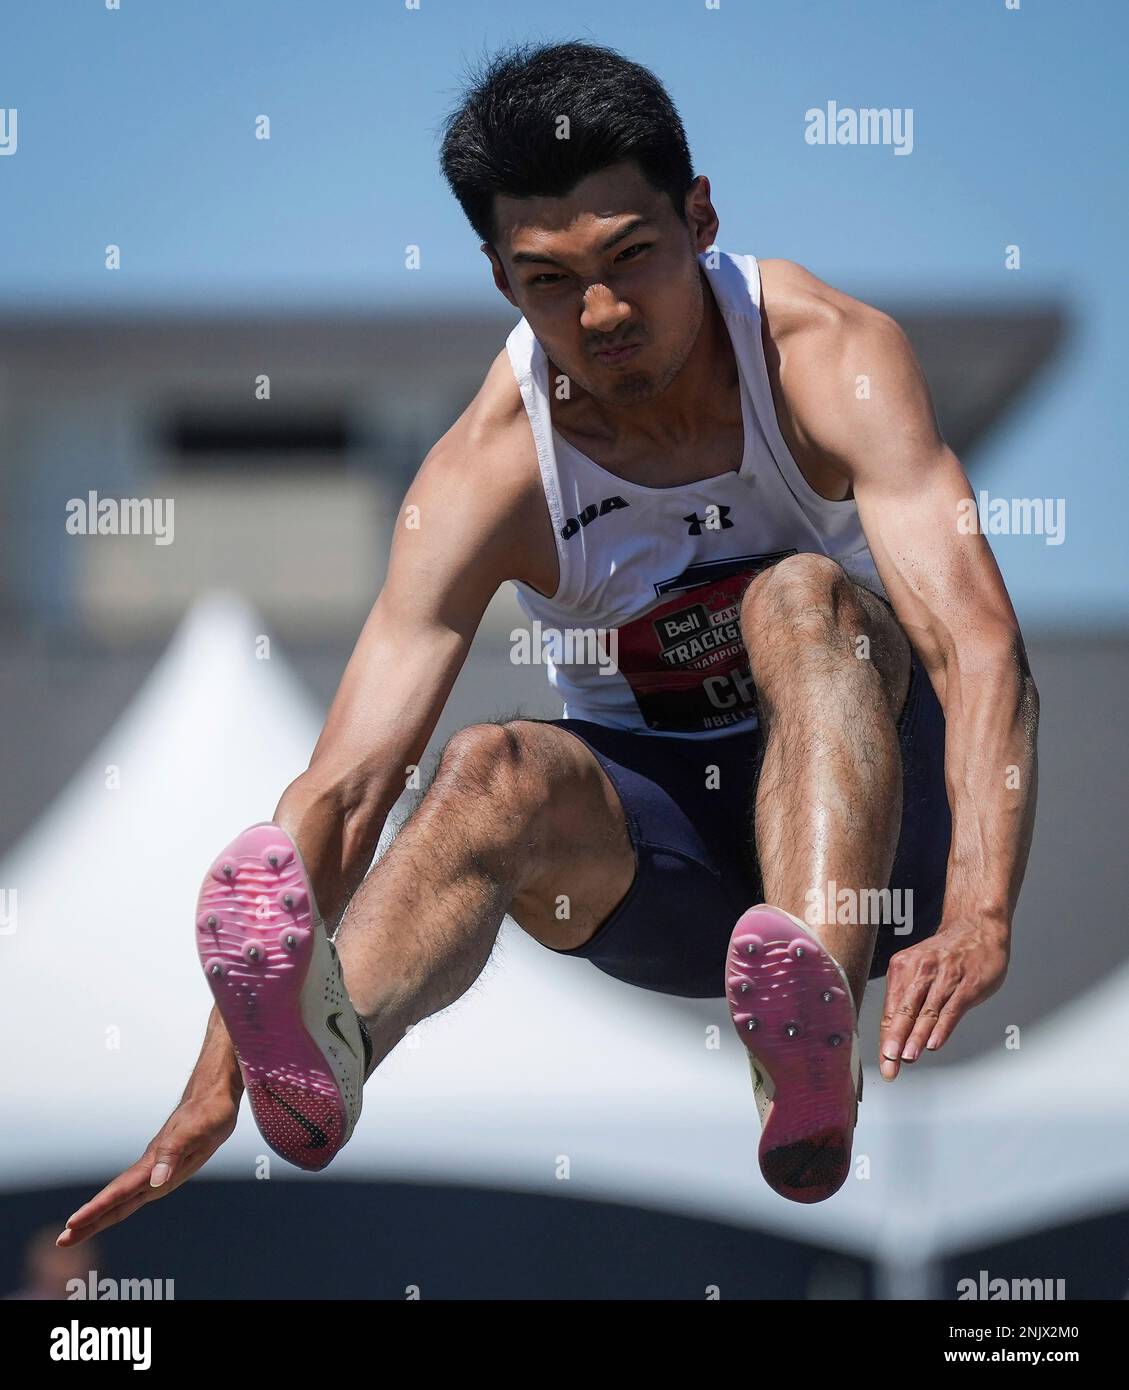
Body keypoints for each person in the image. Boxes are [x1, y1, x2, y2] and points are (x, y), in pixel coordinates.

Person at [59, 38, 1037, 1242]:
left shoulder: (826, 354)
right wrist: (213, 1088)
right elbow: (349, 785)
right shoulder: (489, 469)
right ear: (497, 278)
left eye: (632, 258)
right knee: (487, 770)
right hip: (664, 881)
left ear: (701, 214)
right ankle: (326, 1047)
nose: (604, 312)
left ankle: (806, 1028)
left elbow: (974, 641)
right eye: (551, 282)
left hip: (882, 835)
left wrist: (982, 904)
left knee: (798, 597)